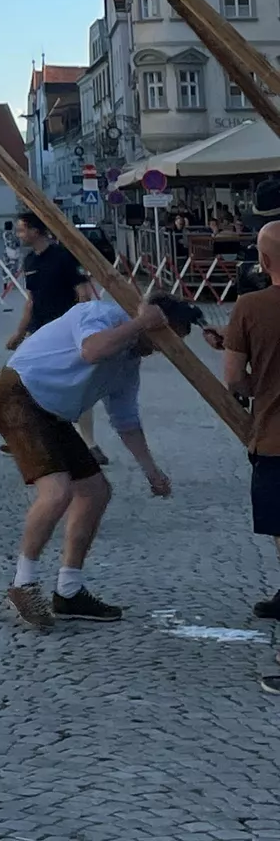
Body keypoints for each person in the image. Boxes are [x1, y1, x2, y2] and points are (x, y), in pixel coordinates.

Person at [0, 290, 199, 630]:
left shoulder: (129, 360)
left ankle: (69, 591)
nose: (160, 350)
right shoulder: (99, 314)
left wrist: (152, 472)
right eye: (163, 339)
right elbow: (92, 351)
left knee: (95, 491)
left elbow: (126, 420)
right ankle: (23, 584)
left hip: (54, 414)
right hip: (19, 395)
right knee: (57, 493)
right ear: (153, 320)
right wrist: (140, 323)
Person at [207, 221, 280, 645]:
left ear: (265, 261)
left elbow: (235, 380)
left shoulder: (250, 307)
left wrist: (261, 381)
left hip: (273, 436)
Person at [5, 211, 99, 460]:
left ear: (36, 231)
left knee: (75, 385)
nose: (19, 234)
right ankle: (31, 438)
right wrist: (20, 333)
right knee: (29, 383)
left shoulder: (63, 257)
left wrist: (80, 329)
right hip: (39, 333)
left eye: (22, 229)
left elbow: (83, 294)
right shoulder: (30, 262)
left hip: (66, 333)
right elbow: (31, 302)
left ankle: (89, 444)